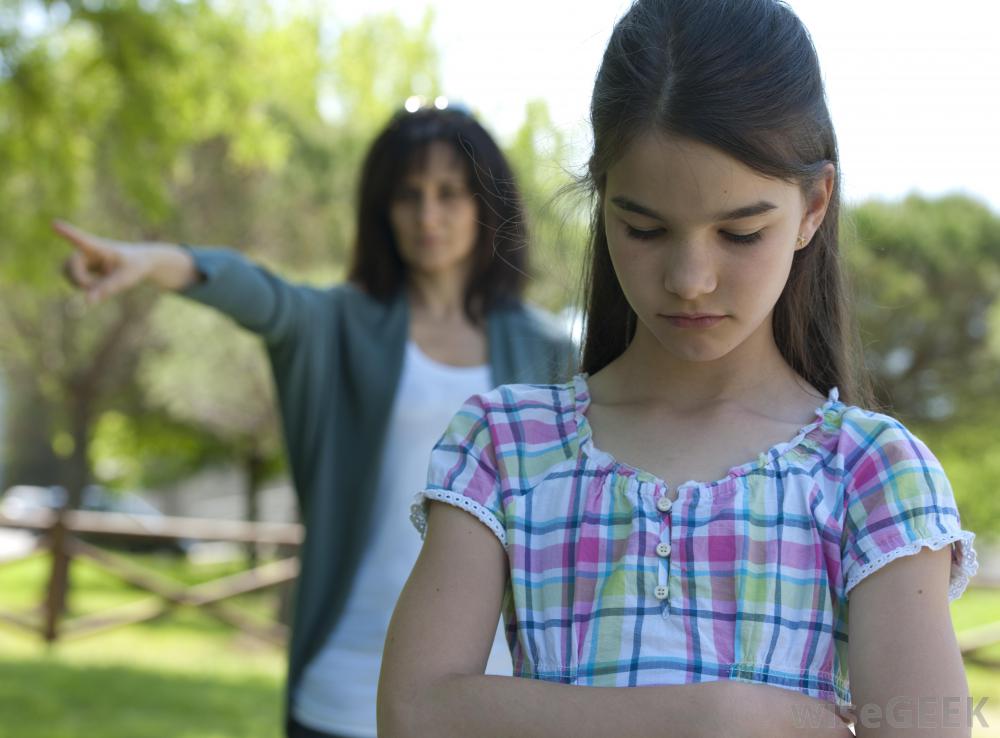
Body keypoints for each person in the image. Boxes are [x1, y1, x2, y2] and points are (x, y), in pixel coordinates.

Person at [377, 2, 980, 737]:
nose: (691, 278)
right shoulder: (504, 447)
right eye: (646, 228)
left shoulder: (872, 475)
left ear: (814, 207)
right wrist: (715, 714)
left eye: (741, 232)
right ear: (602, 203)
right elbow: (415, 713)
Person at [55, 104, 577, 738]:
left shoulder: (547, 352)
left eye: (449, 193)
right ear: (382, 210)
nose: (428, 215)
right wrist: (154, 262)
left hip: (493, 698)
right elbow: (260, 293)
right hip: (340, 687)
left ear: (485, 206)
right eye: (408, 195)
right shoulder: (336, 326)